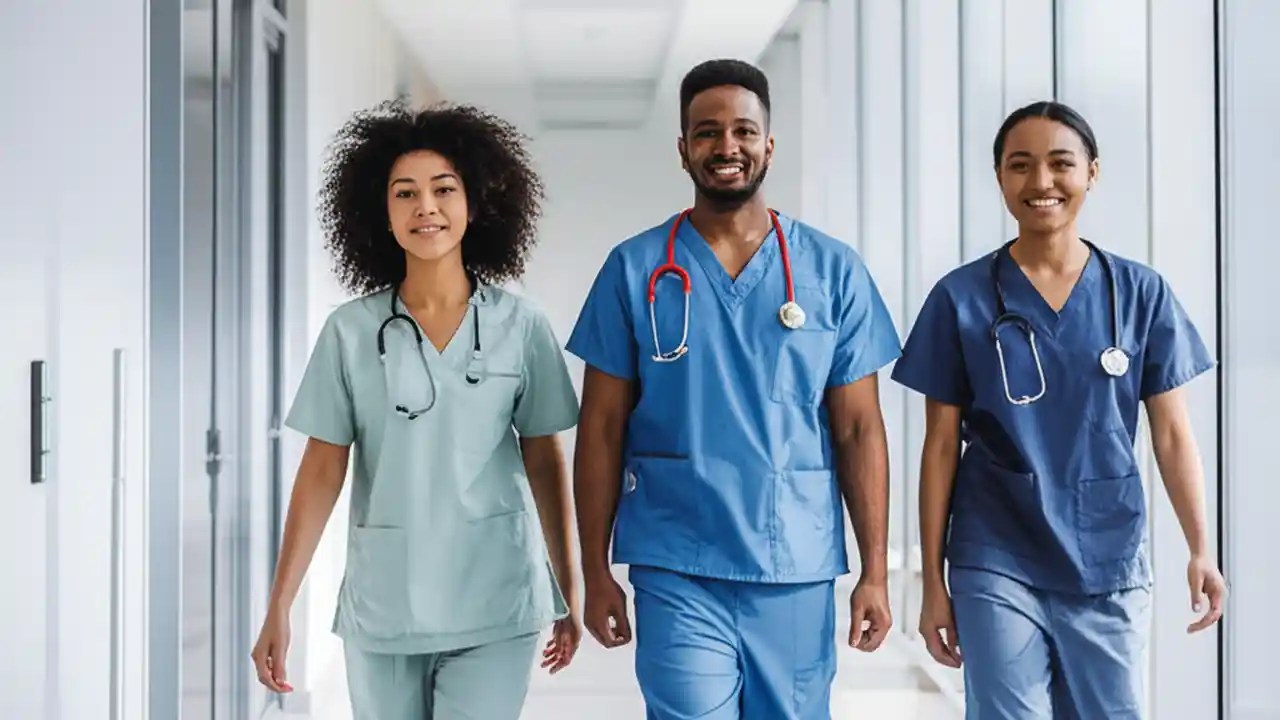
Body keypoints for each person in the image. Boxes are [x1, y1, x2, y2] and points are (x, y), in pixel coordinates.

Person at [566, 59, 902, 720]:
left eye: (744, 131)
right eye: (707, 132)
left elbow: (860, 427)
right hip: (676, 561)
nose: (727, 147)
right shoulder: (635, 268)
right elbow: (600, 427)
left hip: (795, 567)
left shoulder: (832, 271)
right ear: (683, 148)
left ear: (769, 145)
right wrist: (596, 571)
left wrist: (876, 572)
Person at [891, 100, 1228, 719]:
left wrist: (1201, 548)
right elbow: (939, 446)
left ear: (1092, 172)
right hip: (994, 551)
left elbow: (1173, 435)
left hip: (1107, 553)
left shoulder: (1140, 294)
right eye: (1020, 165)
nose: (1041, 182)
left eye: (1060, 163)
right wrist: (932, 580)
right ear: (999, 179)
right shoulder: (960, 297)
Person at [250, 99, 582, 719]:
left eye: (443, 190)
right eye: (404, 194)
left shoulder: (522, 326)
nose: (425, 207)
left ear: (474, 204)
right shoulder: (350, 332)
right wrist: (280, 604)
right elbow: (321, 469)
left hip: (497, 595)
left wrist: (569, 586)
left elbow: (544, 458)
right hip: (386, 603)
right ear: (382, 213)